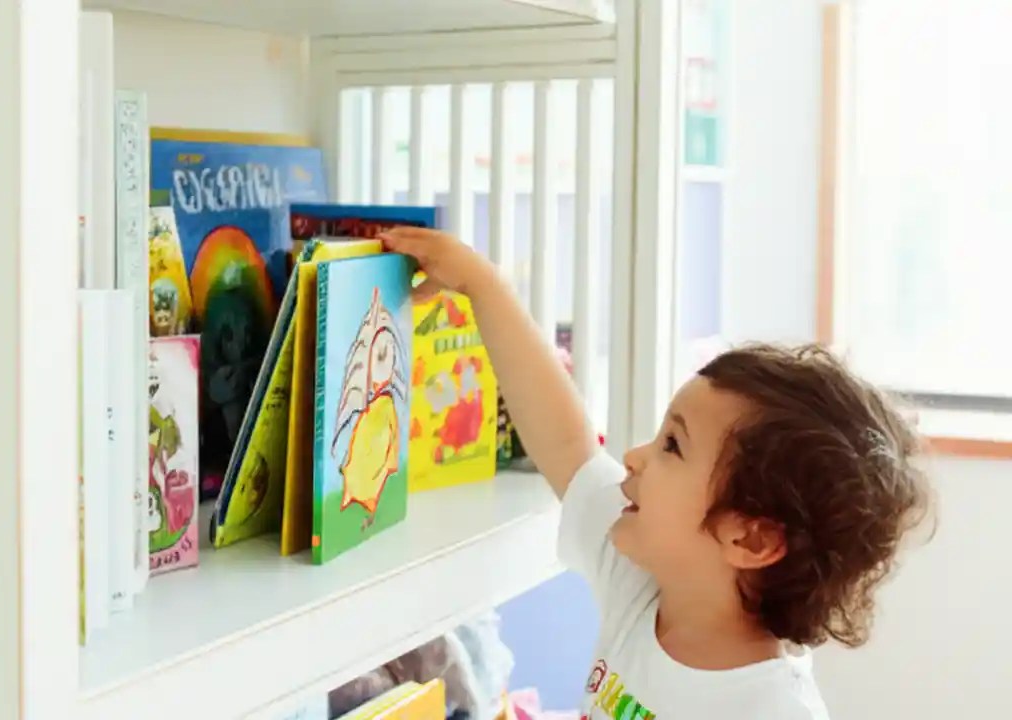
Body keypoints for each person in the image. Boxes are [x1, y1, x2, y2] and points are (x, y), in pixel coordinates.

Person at [380, 227, 932, 720]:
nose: (635, 456)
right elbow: (568, 442)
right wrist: (483, 285)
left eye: (672, 445)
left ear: (750, 536)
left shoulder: (771, 708)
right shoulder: (641, 588)